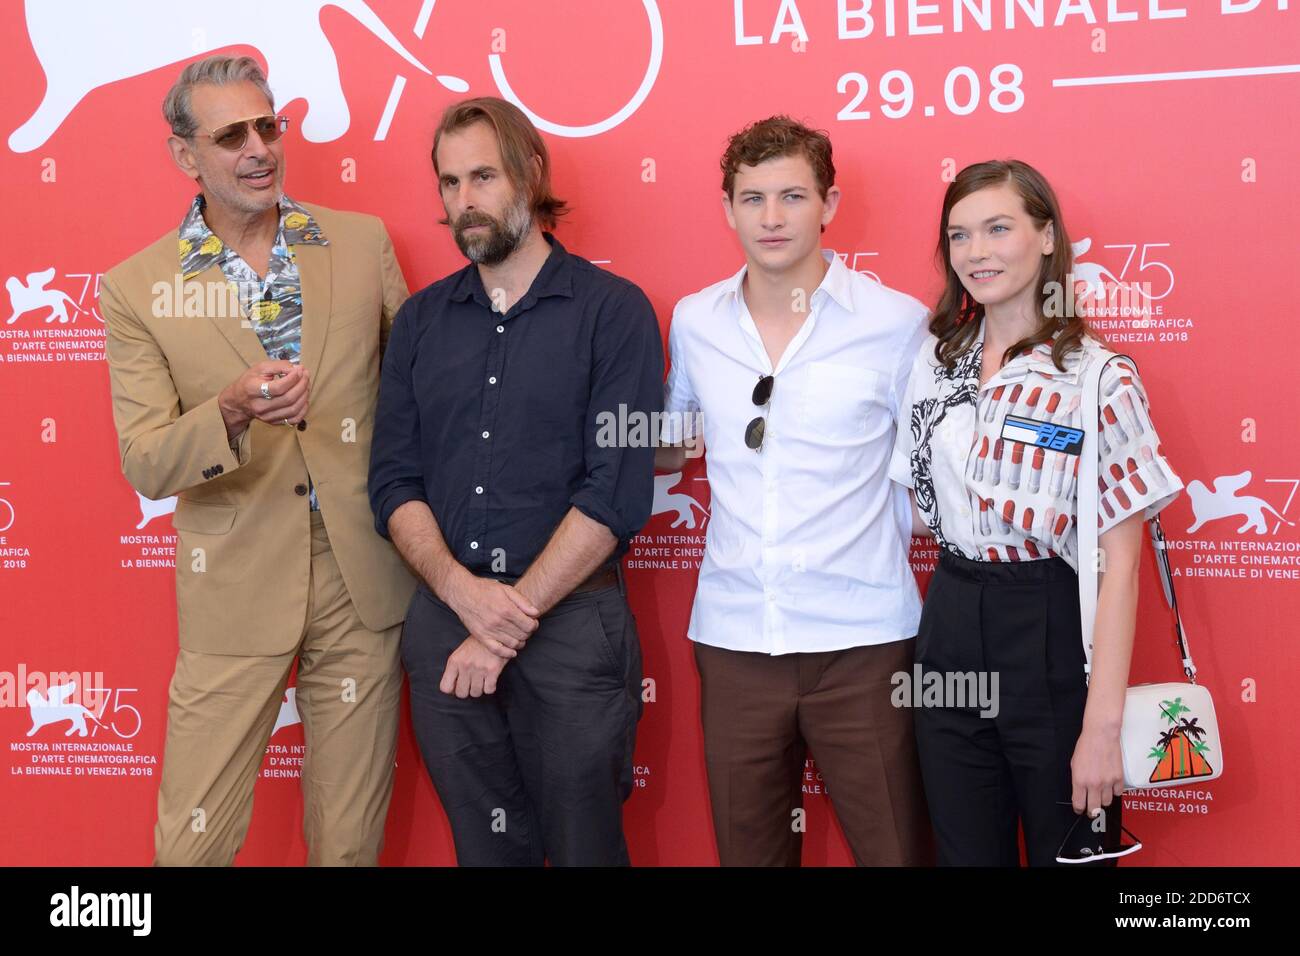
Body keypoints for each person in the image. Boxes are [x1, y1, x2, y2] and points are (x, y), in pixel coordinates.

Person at [102, 55, 416, 865]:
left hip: (362, 575)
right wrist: (231, 411)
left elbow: (421, 400)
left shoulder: (361, 242)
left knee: (349, 842)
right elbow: (145, 461)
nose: (258, 148)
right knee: (192, 844)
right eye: (231, 133)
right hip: (235, 584)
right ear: (185, 156)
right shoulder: (138, 288)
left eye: (268, 126)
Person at [368, 97, 663, 866]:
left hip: (572, 629)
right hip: (445, 626)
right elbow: (394, 483)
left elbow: (615, 493)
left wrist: (506, 623)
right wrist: (467, 599)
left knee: (583, 849)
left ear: (531, 175)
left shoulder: (614, 312)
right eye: (449, 183)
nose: (464, 201)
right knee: (485, 850)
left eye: (484, 177)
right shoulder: (422, 323)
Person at [889, 159, 1184, 866]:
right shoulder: (935, 364)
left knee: (1071, 856)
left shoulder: (1097, 376)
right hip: (951, 618)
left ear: (1047, 235)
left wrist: (1102, 727)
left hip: (1051, 627)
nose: (977, 252)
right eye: (959, 236)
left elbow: (1121, 568)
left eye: (998, 229)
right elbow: (920, 506)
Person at [656, 116, 934, 866]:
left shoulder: (898, 322)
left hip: (866, 641)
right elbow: (674, 442)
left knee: (898, 852)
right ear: (727, 209)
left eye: (792, 196)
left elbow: (929, 471)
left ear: (830, 203)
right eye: (752, 198)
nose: (771, 218)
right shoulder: (694, 320)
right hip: (737, 637)